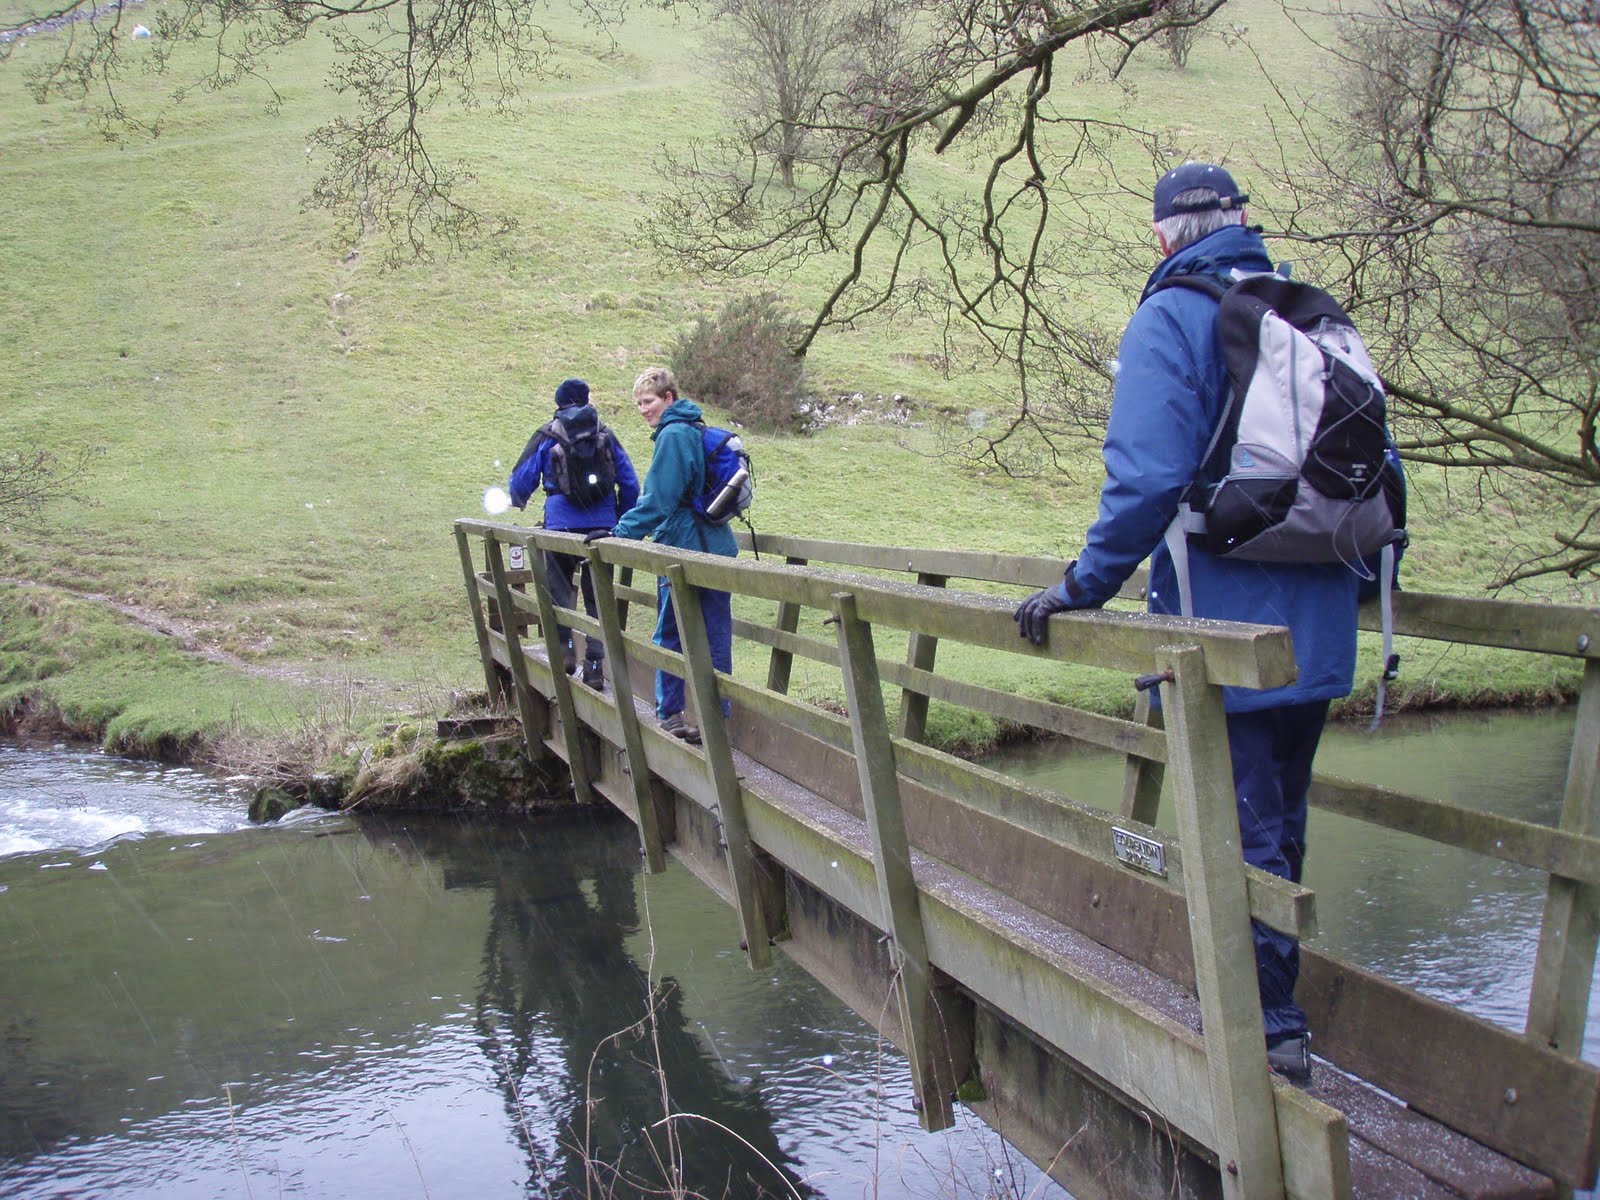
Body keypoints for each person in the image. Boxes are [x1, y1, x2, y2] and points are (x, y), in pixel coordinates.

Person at [1012, 162, 1388, 1086]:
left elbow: (1146, 478)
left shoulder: (1173, 315)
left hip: (1221, 624)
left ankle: (1267, 1039)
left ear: (1160, 235)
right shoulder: (1305, 312)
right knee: (1279, 822)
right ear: (1243, 219)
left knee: (1237, 831)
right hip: (1319, 614)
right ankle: (1275, 1014)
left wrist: (1081, 586)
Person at [586, 366, 736, 746]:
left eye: (648, 401)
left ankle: (670, 713)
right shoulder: (695, 428)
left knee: (671, 630)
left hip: (683, 547)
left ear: (668, 398)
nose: (643, 409)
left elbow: (659, 500)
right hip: (716, 545)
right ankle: (715, 720)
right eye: (638, 403)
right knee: (715, 635)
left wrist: (619, 533)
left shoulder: (672, 435)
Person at [508, 377, 640, 690]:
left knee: (560, 595)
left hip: (559, 529)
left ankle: (566, 653)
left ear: (558, 403)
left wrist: (517, 499)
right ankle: (594, 666)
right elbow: (631, 483)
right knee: (598, 602)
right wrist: (618, 522)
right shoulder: (605, 434)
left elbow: (520, 482)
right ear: (587, 400)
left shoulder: (547, 435)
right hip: (601, 532)